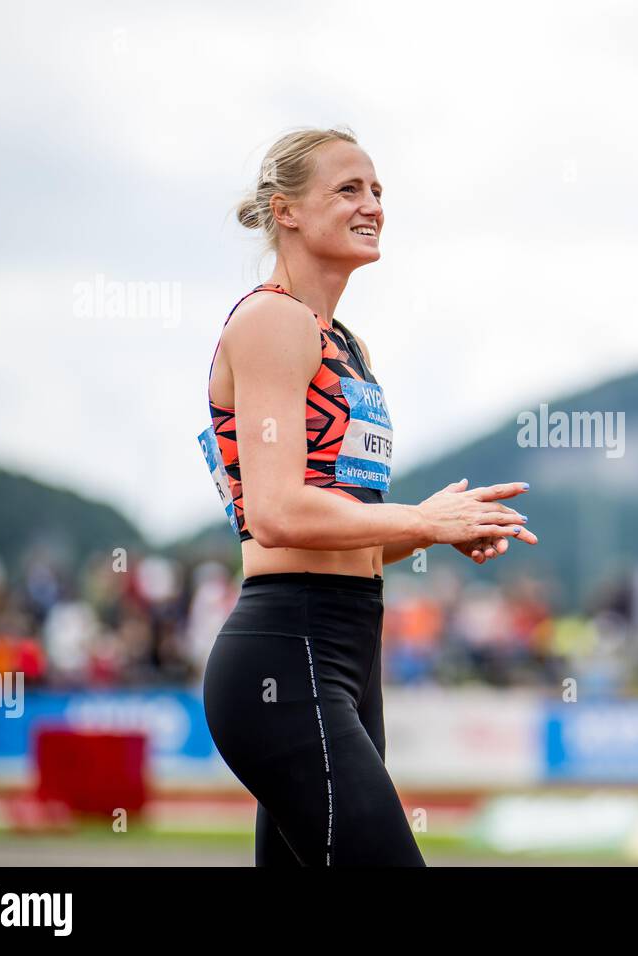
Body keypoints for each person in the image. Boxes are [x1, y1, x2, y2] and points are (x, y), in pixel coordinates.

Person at [197, 127, 537, 866]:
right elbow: (278, 514)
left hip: (349, 653)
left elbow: (344, 531)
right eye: (348, 189)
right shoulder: (273, 321)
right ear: (285, 211)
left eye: (378, 190)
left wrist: (433, 531)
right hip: (288, 653)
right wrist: (421, 515)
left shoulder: (344, 343)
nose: (372, 205)